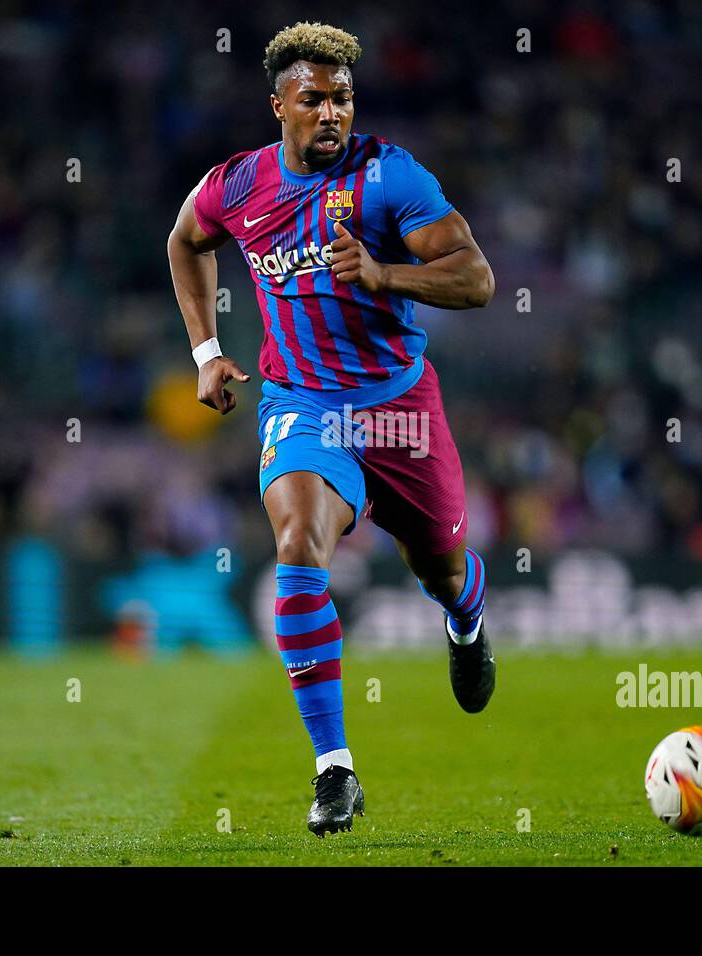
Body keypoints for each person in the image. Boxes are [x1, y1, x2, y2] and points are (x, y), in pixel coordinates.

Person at [168, 20, 496, 837]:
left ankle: (466, 617)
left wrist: (385, 273)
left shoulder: (390, 177)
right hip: (301, 403)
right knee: (298, 540)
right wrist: (207, 351)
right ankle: (334, 771)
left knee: (441, 566)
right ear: (278, 103)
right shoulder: (238, 186)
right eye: (312, 99)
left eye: (342, 98)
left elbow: (478, 278)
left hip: (399, 409)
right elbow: (186, 240)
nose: (330, 114)